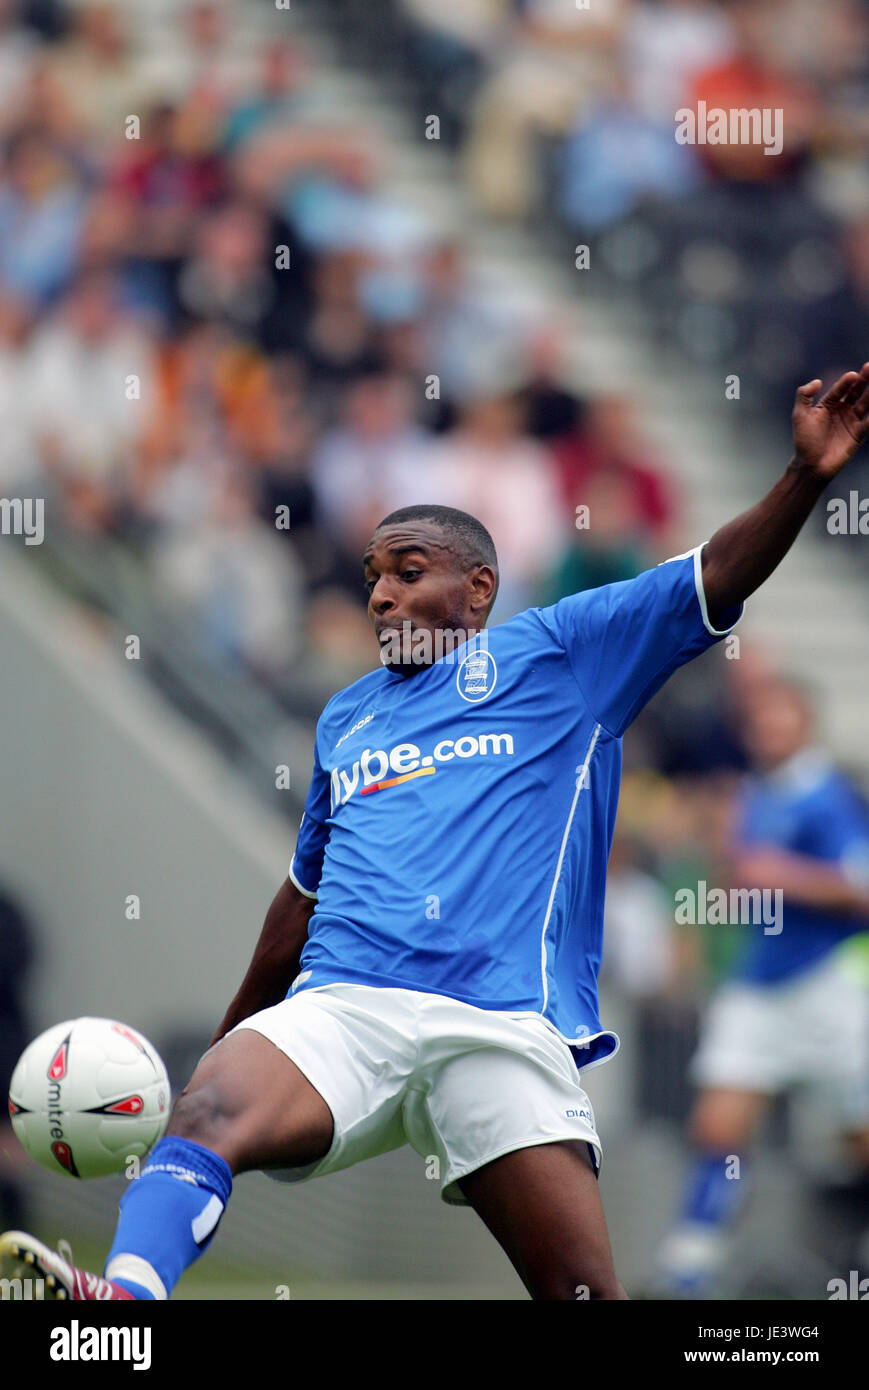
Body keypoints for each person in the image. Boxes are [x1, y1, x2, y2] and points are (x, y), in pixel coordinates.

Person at [4, 366, 869, 1302]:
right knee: (208, 1107)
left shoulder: (563, 654)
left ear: (477, 589)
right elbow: (297, 908)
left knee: (581, 1291)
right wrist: (229, 1045)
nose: (379, 596)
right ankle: (122, 1307)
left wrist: (803, 479)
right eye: (372, 577)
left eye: (407, 574)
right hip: (349, 1008)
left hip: (499, 1024)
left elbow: (713, 574)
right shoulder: (347, 719)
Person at [655, 676, 869, 1295]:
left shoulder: (830, 796)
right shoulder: (750, 796)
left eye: (781, 717)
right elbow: (735, 889)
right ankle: (689, 1268)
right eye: (759, 720)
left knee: (859, 1137)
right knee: (717, 1131)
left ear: (807, 724)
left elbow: (857, 890)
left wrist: (784, 876)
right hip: (756, 987)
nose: (767, 729)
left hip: (824, 987)